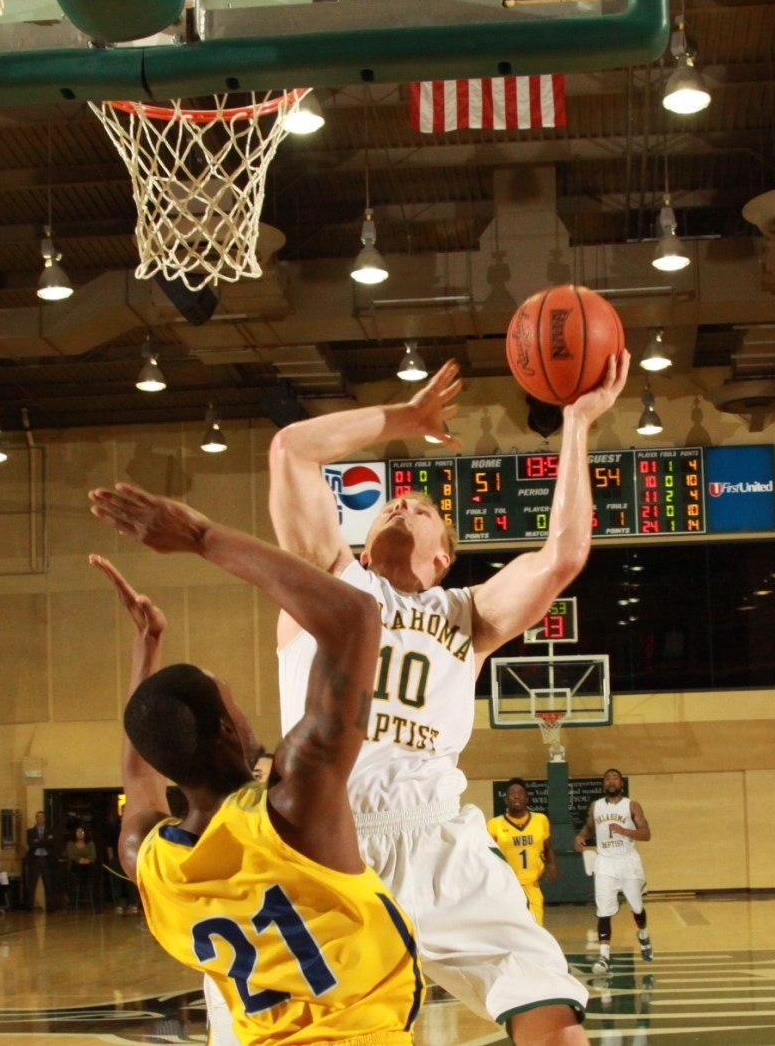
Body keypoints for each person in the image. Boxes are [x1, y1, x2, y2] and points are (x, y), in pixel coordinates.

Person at [254, 355, 622, 1045]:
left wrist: (576, 424)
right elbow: (290, 450)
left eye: (421, 507)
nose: (401, 502)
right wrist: (403, 419)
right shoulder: (325, 581)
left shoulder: (468, 616)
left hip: (437, 841)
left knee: (558, 1022)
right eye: (392, 500)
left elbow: (563, 555)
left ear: (444, 556)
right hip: (325, 838)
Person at [87, 488, 422, 1046]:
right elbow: (356, 614)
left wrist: (147, 647)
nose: (242, 710)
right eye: (232, 700)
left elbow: (138, 778)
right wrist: (200, 536)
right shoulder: (294, 809)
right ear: (226, 729)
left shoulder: (150, 859)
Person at [575, 768, 652, 973]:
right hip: (605, 861)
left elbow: (646, 834)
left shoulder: (632, 806)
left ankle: (643, 935)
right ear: (604, 784)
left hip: (627, 860)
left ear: (621, 783)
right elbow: (590, 827)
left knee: (636, 907)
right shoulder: (596, 806)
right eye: (607, 778)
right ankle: (604, 957)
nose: (611, 781)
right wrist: (580, 836)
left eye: (615, 778)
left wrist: (625, 831)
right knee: (603, 909)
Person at [489, 778, 554, 925]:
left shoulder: (541, 820)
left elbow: (547, 846)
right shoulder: (494, 824)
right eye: (512, 793)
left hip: (532, 884)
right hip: (506, 885)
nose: (516, 796)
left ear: (527, 799)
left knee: (536, 928)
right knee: (510, 928)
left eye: (520, 793)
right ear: (506, 800)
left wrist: (551, 864)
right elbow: (486, 855)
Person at [21, 811, 54, 912]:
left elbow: (51, 843)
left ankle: (50, 907)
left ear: (44, 819)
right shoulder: (30, 831)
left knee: (48, 883)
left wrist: (39, 841)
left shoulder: (50, 831)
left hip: (46, 859)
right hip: (34, 859)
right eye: (37, 817)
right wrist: (44, 841)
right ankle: (29, 906)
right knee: (32, 884)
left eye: (41, 817)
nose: (39, 818)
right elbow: (31, 844)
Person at [63, 827, 98, 910]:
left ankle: (87, 885)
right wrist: (80, 860)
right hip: (75, 865)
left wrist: (87, 860)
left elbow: (93, 855)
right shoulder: (70, 844)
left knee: (91, 867)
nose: (80, 833)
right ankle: (80, 884)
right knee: (78, 867)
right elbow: (71, 856)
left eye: (81, 831)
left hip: (88, 865)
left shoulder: (90, 843)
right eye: (78, 831)